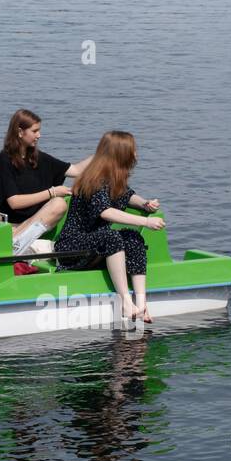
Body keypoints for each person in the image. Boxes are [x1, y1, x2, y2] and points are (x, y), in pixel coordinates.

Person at [54, 131, 163, 323]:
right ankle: (125, 302)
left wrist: (145, 203)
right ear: (122, 153)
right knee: (110, 237)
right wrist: (146, 221)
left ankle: (142, 302)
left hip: (96, 245)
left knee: (132, 238)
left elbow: (127, 196)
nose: (136, 155)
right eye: (133, 150)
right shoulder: (94, 180)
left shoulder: (114, 178)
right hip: (72, 248)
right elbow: (106, 212)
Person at [0, 109, 92, 255]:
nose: (39, 135)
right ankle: (16, 243)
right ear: (20, 132)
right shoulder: (4, 160)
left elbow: (76, 170)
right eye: (34, 131)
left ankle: (14, 243)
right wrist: (52, 192)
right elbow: (14, 202)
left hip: (31, 223)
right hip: (6, 223)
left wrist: (102, 153)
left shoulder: (39, 158)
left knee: (59, 204)